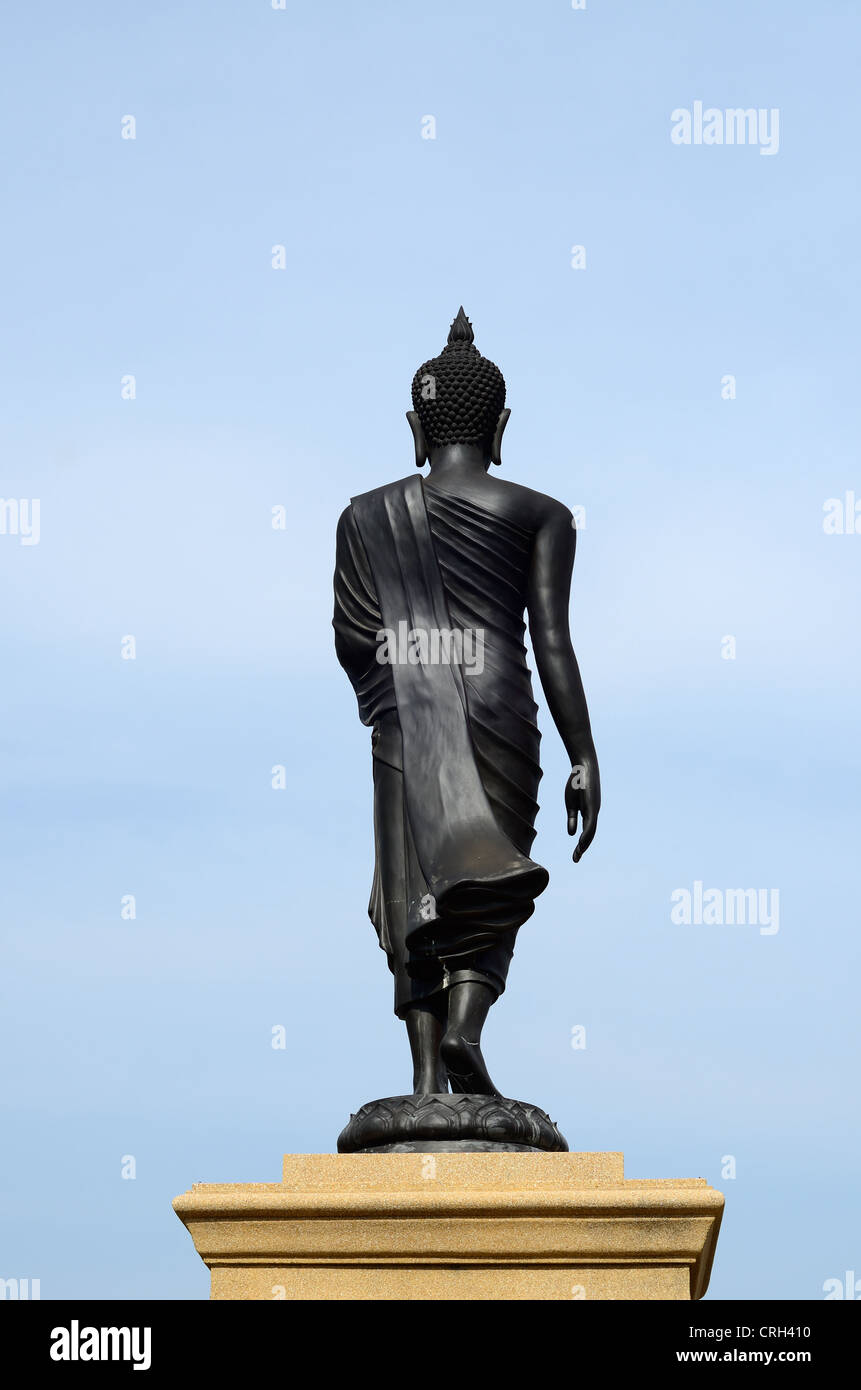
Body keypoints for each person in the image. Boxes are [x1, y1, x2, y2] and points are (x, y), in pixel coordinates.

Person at [333, 309, 600, 1097]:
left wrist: (411, 686)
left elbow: (352, 637)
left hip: (403, 720)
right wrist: (582, 752)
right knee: (493, 873)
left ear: (416, 427)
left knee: (414, 881)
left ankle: (424, 1081)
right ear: (500, 427)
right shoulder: (540, 514)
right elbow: (552, 642)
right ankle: (465, 1030)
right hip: (500, 708)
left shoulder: (364, 516)